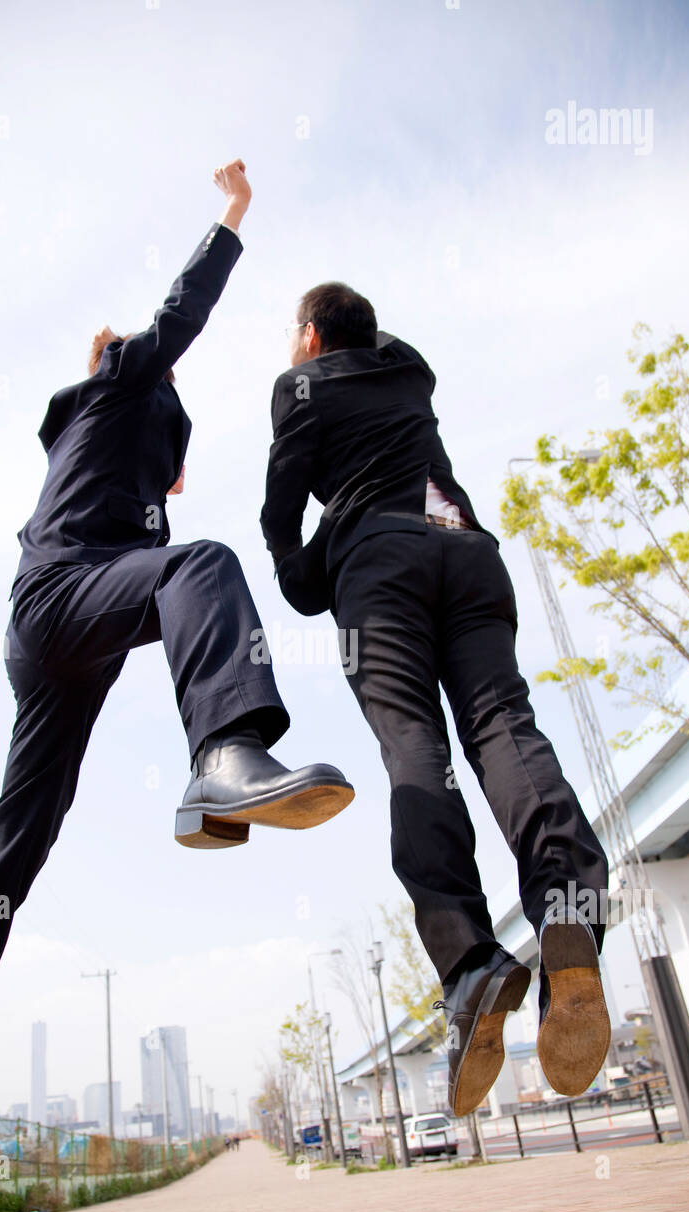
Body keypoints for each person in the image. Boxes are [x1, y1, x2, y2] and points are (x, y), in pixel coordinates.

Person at [0, 164, 354, 1161]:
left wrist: (157, 462)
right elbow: (180, 315)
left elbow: (149, 487)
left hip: (58, 638)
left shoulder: (102, 443)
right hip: (64, 597)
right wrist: (233, 214)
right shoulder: (123, 375)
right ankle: (222, 761)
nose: (173, 467)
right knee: (202, 561)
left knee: (21, 831)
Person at [260, 282, 611, 1118]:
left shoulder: (299, 387)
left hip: (380, 566)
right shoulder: (411, 370)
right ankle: (566, 901)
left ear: (309, 338)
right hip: (466, 548)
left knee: (415, 747)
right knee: (503, 727)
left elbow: (280, 509)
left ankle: (471, 965)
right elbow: (388, 357)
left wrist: (302, 572)